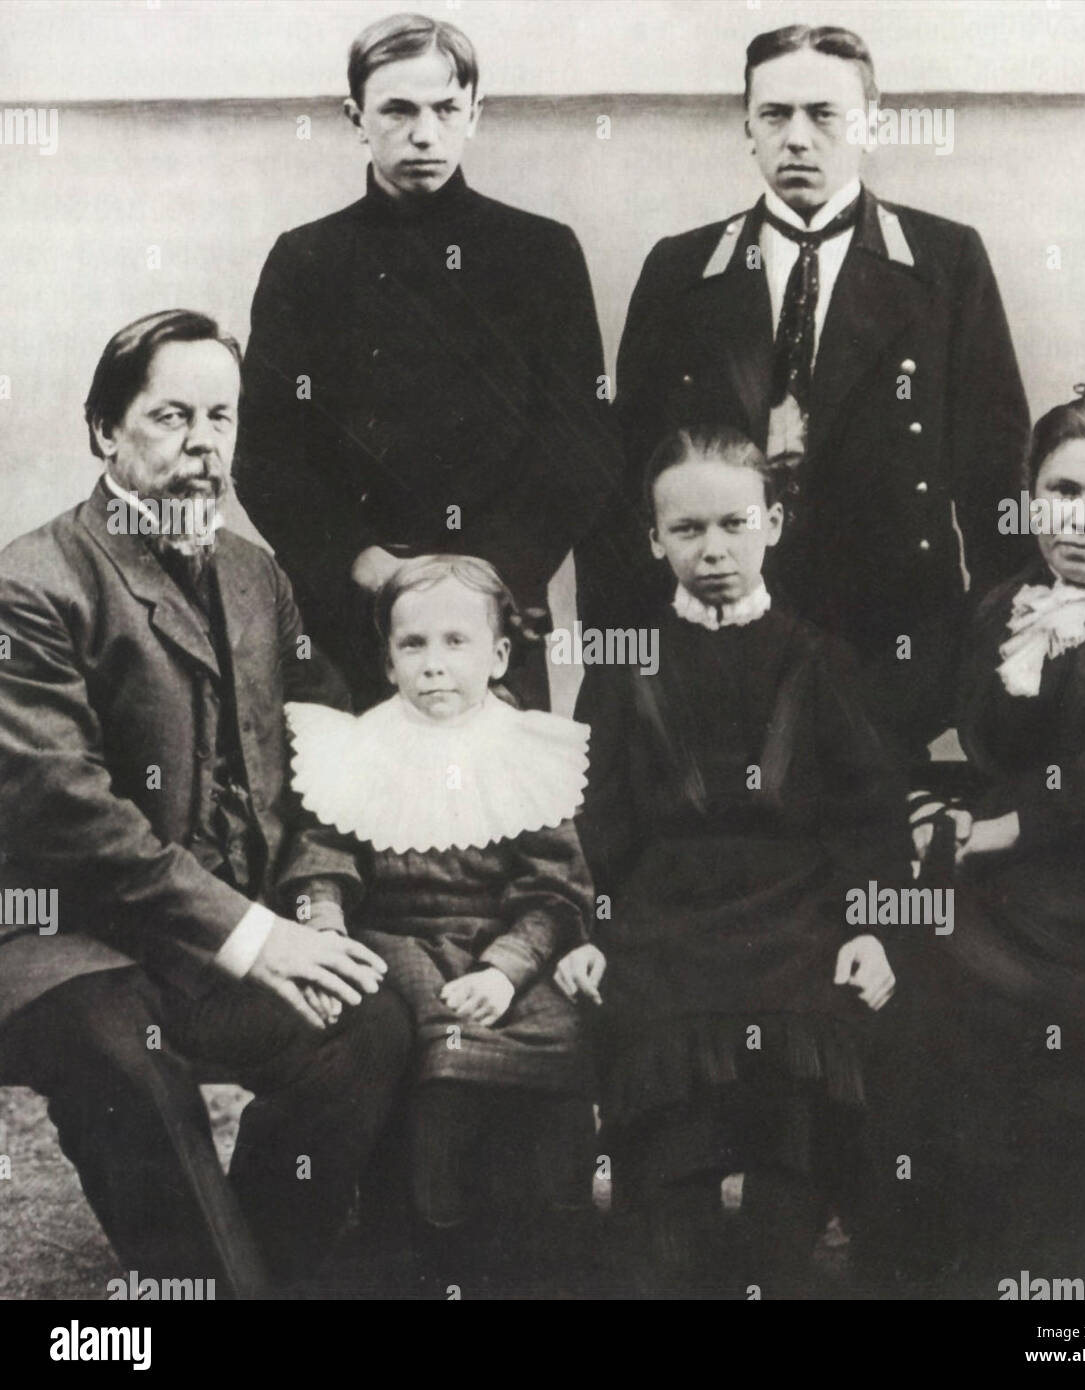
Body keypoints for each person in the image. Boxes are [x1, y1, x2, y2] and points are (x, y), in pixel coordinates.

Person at [0, 310, 410, 1298]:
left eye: (220, 418)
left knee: (368, 1021)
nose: (202, 446)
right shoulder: (30, 585)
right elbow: (70, 817)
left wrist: (316, 901)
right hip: (62, 944)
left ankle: (237, 1276)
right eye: (172, 416)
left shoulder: (254, 574)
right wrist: (254, 937)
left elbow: (327, 747)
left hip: (218, 939)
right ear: (105, 430)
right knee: (121, 1050)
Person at [578, 22, 1031, 757]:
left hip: (892, 650)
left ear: (870, 124)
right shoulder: (681, 270)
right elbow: (628, 481)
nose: (797, 138)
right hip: (714, 648)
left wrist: (992, 659)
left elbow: (996, 476)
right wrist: (621, 660)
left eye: (824, 115)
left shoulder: (945, 263)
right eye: (774, 115)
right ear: (747, 128)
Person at [866, 377, 1085, 1299]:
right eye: (1062, 491)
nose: (1082, 520)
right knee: (912, 967)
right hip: (1005, 883)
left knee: (1049, 1021)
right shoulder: (996, 607)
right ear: (1030, 499)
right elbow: (913, 730)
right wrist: (922, 808)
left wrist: (995, 830)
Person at [560, 425, 910, 1297]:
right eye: (686, 529)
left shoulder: (822, 658)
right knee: (666, 1184)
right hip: (663, 922)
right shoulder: (624, 663)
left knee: (795, 1095)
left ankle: (774, 1259)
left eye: (734, 523)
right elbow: (594, 820)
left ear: (774, 525)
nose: (712, 550)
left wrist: (871, 928)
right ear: (653, 539)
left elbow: (870, 814)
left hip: (799, 916)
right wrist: (590, 930)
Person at [236, 10, 620, 712]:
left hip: (495, 612)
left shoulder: (540, 254)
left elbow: (581, 449)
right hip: (350, 617)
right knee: (347, 781)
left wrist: (488, 573)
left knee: (498, 783)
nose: (424, 133)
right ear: (356, 117)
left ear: (475, 112)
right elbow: (266, 456)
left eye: (445, 109)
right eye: (398, 110)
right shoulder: (306, 261)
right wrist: (364, 563)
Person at [283, 554, 597, 1295]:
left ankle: (535, 1236)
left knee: (554, 1040)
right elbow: (322, 855)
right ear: (387, 662)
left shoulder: (524, 749)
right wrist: (323, 921)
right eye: (413, 644)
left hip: (503, 947)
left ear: (499, 656)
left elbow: (556, 887)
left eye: (457, 642)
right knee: (442, 1053)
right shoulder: (360, 747)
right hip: (397, 941)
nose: (433, 665)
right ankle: (435, 1238)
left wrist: (508, 968)